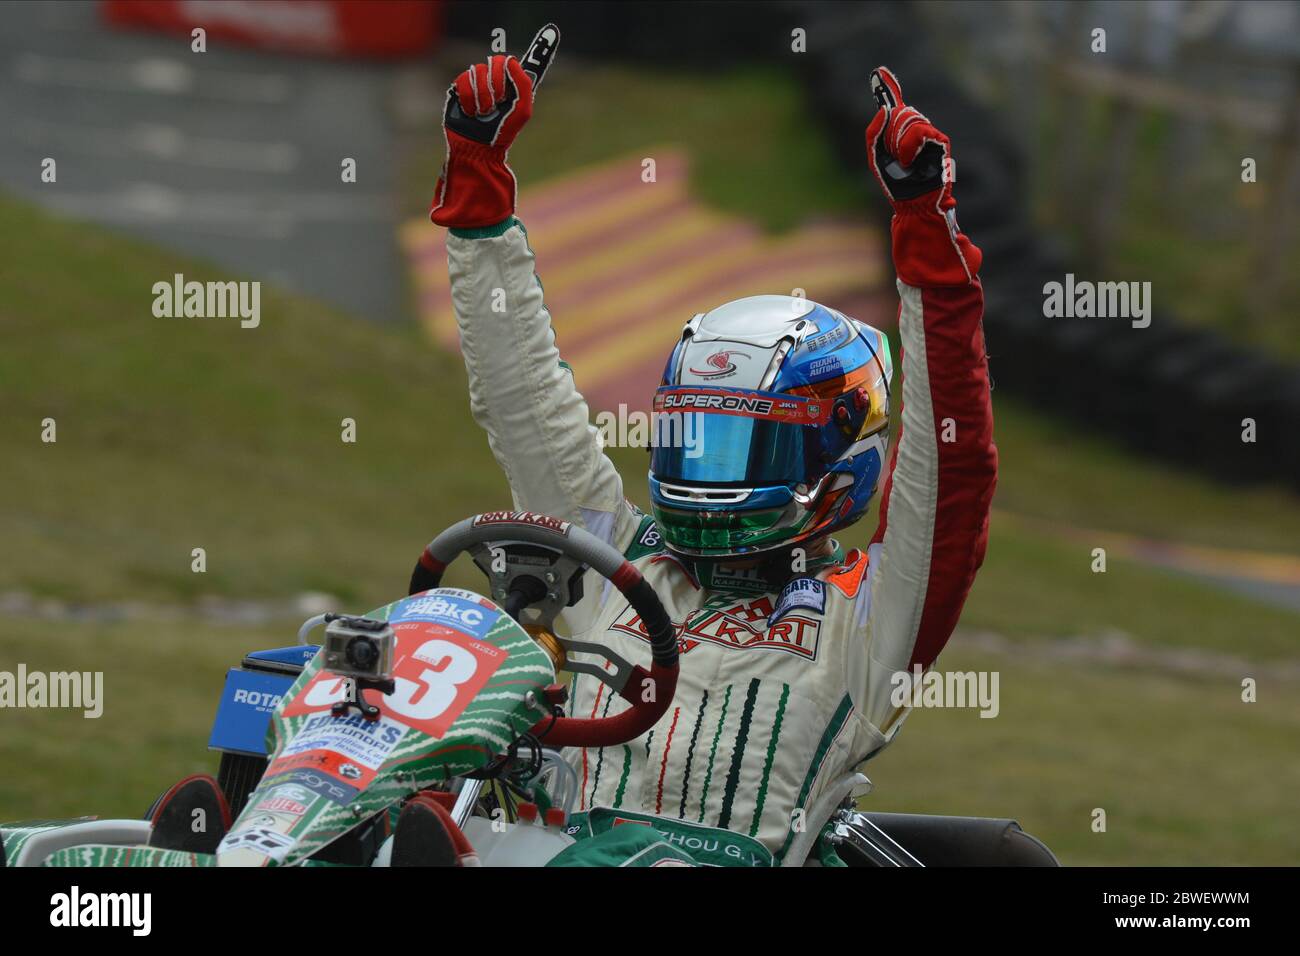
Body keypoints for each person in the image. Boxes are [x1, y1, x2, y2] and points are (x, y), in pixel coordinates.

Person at [417, 51, 997, 867]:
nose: (709, 473)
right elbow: (522, 405)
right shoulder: (613, 562)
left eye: (745, 444)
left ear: (837, 456)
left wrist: (926, 241)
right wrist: (479, 196)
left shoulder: (867, 622)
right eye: (697, 437)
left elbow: (954, 468)